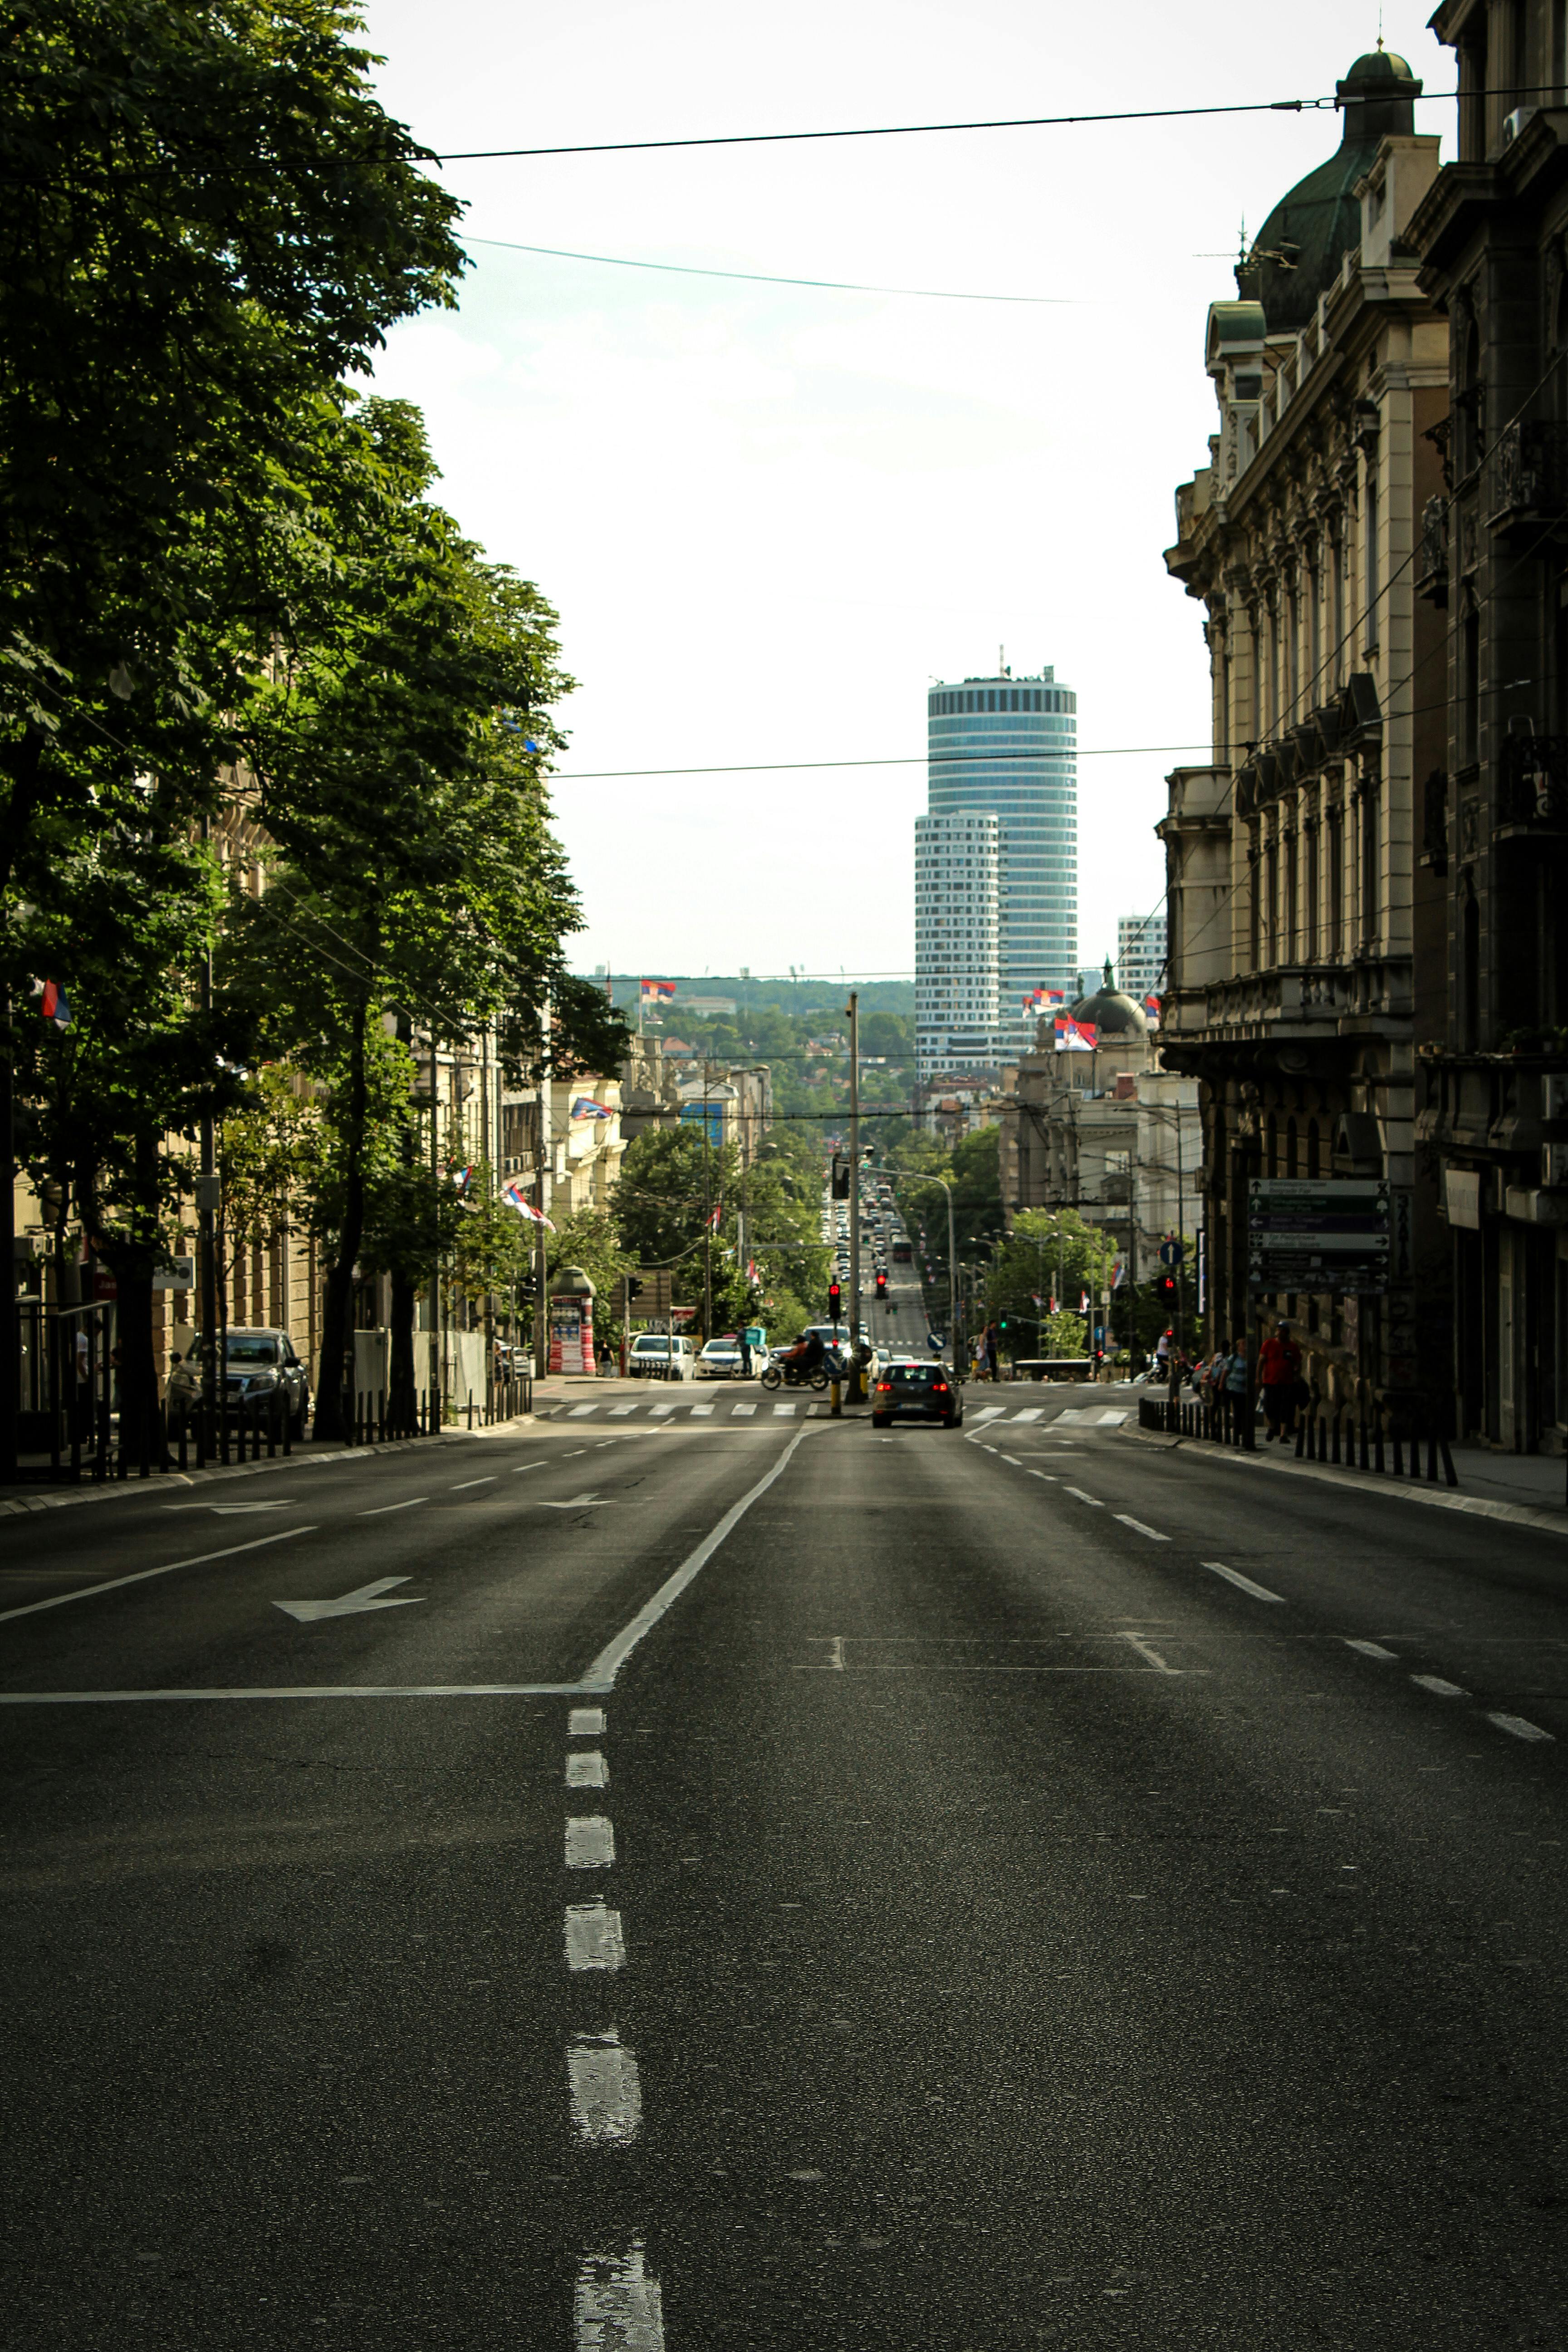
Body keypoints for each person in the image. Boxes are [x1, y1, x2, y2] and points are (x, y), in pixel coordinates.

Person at [1258, 1318, 1303, 1441]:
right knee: (1269, 1407)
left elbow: (1298, 1362)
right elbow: (1261, 1361)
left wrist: (1297, 1374)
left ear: (1287, 1332)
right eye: (1278, 1330)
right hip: (1270, 1381)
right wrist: (1258, 1378)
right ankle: (1273, 1427)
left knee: (1286, 1408)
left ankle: (1283, 1434)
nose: (1279, 1332)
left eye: (1282, 1330)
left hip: (1287, 1382)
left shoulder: (1292, 1347)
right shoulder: (1269, 1344)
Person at [1220, 1340, 1250, 1442]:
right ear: (1238, 1347)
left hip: (1245, 1389)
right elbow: (1226, 1370)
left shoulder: (1249, 1357)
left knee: (1244, 1411)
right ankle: (1237, 1432)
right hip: (1234, 1388)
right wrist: (1221, 1383)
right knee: (1237, 1410)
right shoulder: (1234, 1358)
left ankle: (1243, 1431)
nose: (1245, 1346)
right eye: (1243, 1344)